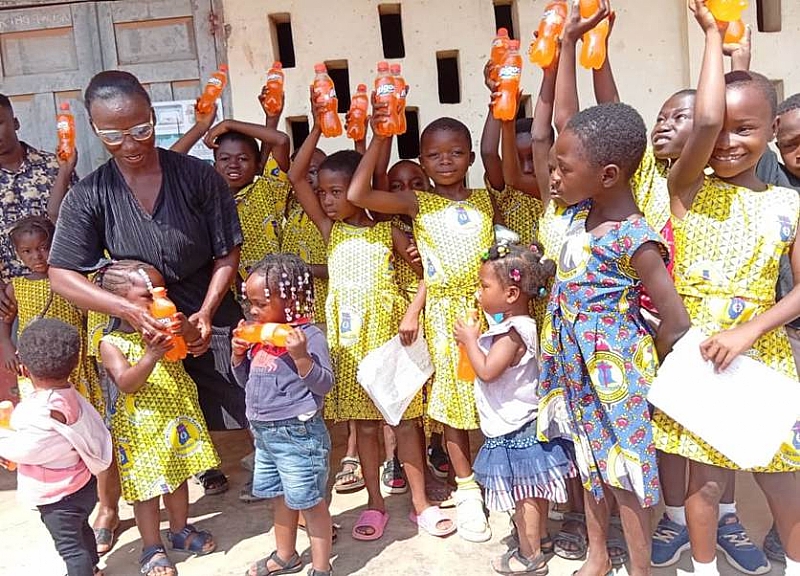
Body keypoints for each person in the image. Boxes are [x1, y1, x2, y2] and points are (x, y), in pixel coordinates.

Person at [46, 70, 243, 497]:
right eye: (113, 136)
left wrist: (206, 313)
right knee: (139, 415)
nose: (131, 145)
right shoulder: (91, 194)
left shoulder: (197, 177)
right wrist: (128, 311)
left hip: (204, 307)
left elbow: (227, 252)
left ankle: (284, 491)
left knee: (250, 400)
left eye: (141, 129)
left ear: (153, 115)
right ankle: (115, 504)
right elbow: (61, 274)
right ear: (94, 129)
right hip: (138, 321)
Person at [653, 3, 800, 576]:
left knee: (781, 471)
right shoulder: (687, 185)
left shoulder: (788, 204)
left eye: (748, 130)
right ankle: (705, 568)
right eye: (720, 130)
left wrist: (750, 331)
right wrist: (713, 36)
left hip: (761, 351)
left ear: (771, 132)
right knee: (706, 479)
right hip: (698, 350)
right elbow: (709, 119)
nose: (728, 142)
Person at [536, 98, 691, 576]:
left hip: (617, 376)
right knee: (589, 461)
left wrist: (639, 362)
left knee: (626, 473)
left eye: (564, 169)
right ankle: (598, 556)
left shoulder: (634, 237)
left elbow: (676, 320)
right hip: (575, 370)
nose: (554, 178)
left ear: (607, 175)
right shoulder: (575, 215)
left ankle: (640, 569)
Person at [348, 116, 495, 543]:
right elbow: (358, 195)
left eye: (455, 152)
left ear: (471, 157)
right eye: (434, 155)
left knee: (494, 397)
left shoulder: (485, 200)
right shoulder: (417, 203)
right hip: (445, 316)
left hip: (488, 311)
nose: (445, 161)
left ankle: (499, 476)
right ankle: (467, 490)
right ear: (422, 162)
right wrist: (381, 134)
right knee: (452, 405)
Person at [0, 215, 123, 556]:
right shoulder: (16, 287)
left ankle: (107, 509)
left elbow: (89, 317)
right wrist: (7, 346)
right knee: (49, 440)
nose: (37, 256)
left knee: (95, 438)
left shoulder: (69, 279)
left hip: (77, 372)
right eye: (28, 251)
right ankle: (63, 504)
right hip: (37, 378)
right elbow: (5, 320)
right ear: (18, 255)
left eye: (43, 247)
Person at [454, 242, 577, 575]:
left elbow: (488, 371)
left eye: (484, 286)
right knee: (533, 489)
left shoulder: (511, 333)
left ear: (510, 293)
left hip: (515, 426)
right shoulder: (522, 324)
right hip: (525, 422)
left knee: (524, 495)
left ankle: (529, 555)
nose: (479, 293)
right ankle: (541, 539)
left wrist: (469, 341)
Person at [97, 261, 219, 576]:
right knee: (147, 491)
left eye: (161, 294)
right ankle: (151, 547)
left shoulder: (164, 328)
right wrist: (151, 354)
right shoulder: (111, 343)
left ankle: (179, 530)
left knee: (178, 478)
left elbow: (192, 347)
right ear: (120, 303)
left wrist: (185, 327)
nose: (157, 302)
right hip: (142, 430)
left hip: (174, 422)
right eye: (147, 297)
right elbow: (127, 383)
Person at [233, 254, 334, 576]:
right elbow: (247, 382)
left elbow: (324, 384)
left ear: (290, 300)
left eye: (260, 304)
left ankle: (322, 567)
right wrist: (238, 356)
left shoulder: (309, 337)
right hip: (264, 435)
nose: (253, 311)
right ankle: (286, 554)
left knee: (310, 502)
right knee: (280, 496)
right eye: (249, 303)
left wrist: (301, 357)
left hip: (298, 435)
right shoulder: (259, 338)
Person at [0, 318, 112, 576]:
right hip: (83, 486)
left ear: (23, 366)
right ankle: (93, 568)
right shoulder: (70, 395)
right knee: (81, 528)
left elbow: (23, 450)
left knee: (71, 549)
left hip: (58, 498)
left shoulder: (39, 410)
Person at [755, 92, 800, 565]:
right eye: (790, 144)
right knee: (785, 440)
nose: (799, 152)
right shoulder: (777, 184)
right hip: (788, 332)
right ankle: (784, 529)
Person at [0, 93, 77, 317]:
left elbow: (79, 224)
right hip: (8, 301)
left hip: (61, 292)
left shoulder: (55, 167)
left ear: (15, 122)